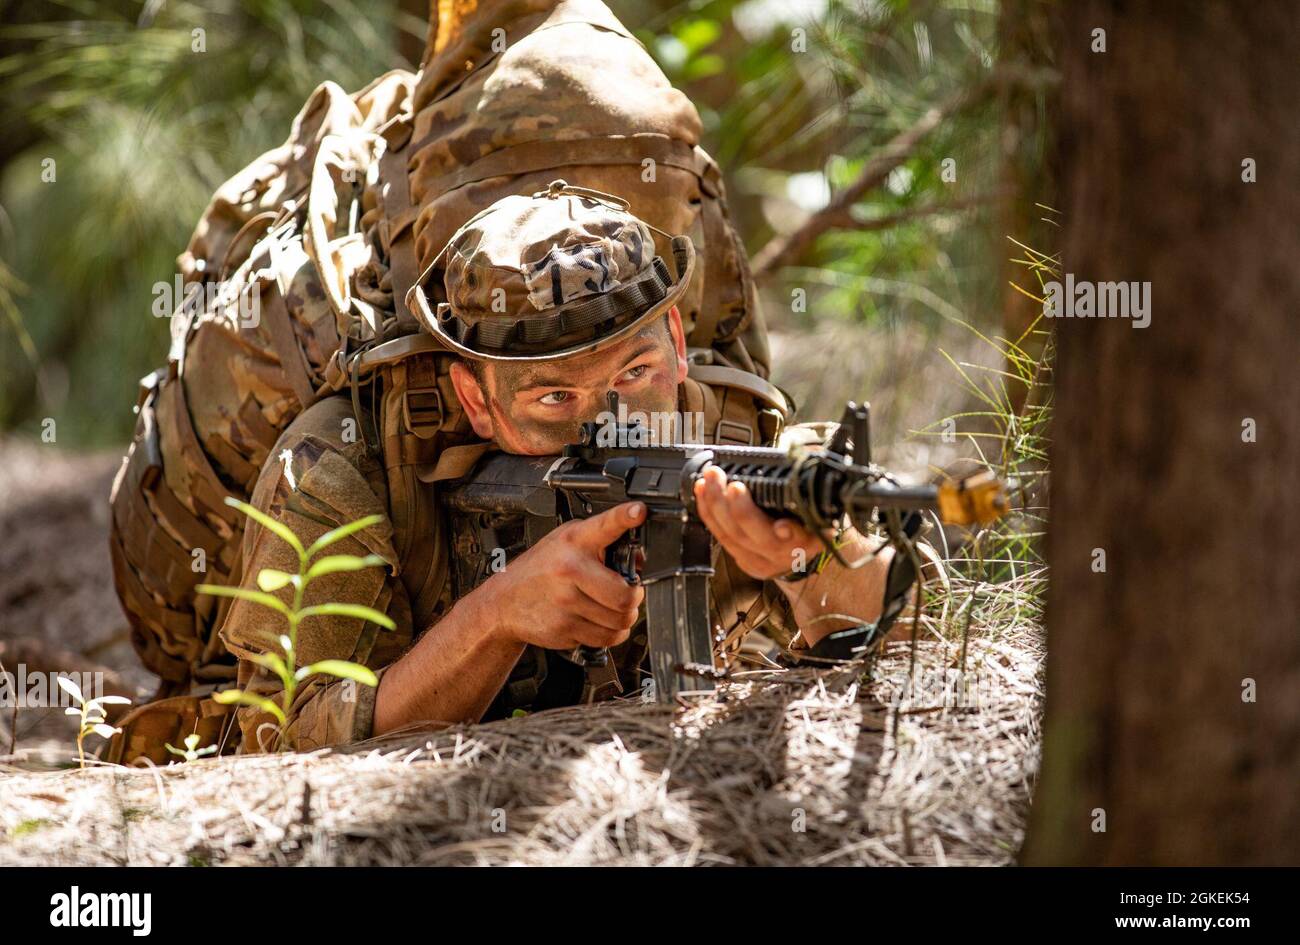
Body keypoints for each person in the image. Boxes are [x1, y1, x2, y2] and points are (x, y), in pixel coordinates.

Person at [221, 181, 919, 753]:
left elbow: (922, 628)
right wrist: (494, 617)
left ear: (677, 343)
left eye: (636, 370)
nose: (609, 417)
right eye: (555, 396)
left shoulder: (734, 438)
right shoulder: (342, 468)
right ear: (477, 400)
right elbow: (280, 741)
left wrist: (812, 562)